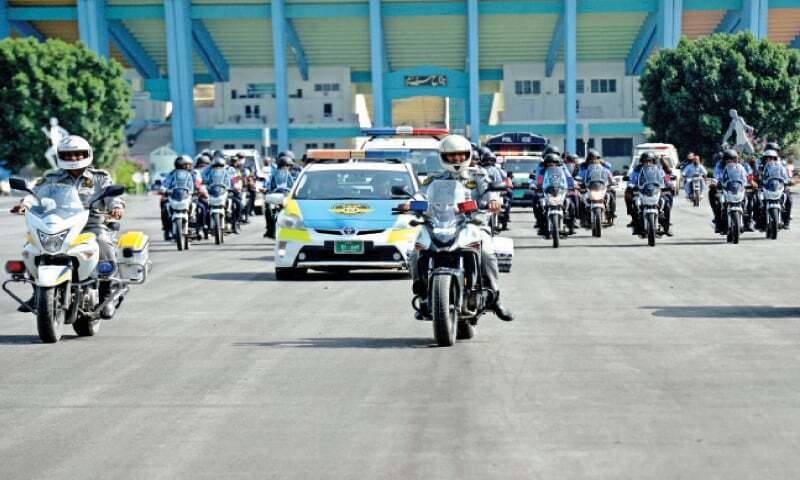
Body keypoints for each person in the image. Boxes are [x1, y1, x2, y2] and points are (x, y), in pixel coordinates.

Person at [10, 135, 125, 312]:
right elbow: (35, 194)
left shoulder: (99, 178)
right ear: (60, 156)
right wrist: (24, 205)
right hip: (59, 224)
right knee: (32, 247)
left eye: (78, 154)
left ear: (87, 154)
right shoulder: (52, 177)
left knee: (103, 242)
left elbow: (112, 196)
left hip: (90, 225)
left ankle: (106, 294)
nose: (73, 158)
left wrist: (116, 208)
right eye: (68, 155)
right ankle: (38, 292)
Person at [404, 134, 513, 322]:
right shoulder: (434, 178)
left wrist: (493, 201)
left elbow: (489, 193)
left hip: (473, 225)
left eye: (461, 155)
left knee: (487, 253)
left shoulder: (478, 175)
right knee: (416, 252)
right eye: (452, 155)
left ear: (468, 155)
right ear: (443, 156)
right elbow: (422, 195)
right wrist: (410, 203)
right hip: (439, 224)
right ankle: (422, 294)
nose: (457, 159)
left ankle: (494, 297)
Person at [160, 155, 196, 240]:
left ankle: (193, 223)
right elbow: (166, 183)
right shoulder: (171, 174)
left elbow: (192, 184)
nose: (187, 166)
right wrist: (164, 189)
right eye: (185, 164)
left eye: (188, 164)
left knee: (195, 205)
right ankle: (167, 229)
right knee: (165, 207)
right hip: (173, 196)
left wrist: (193, 191)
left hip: (186, 195)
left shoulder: (190, 174)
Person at [577, 150, 617, 225]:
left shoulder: (604, 169)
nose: (595, 160)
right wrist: (579, 183)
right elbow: (580, 177)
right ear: (589, 159)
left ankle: (611, 214)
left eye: (597, 158)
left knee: (611, 195)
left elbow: (610, 176)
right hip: (589, 188)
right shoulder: (584, 169)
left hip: (601, 187)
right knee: (581, 199)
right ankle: (583, 218)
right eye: (593, 158)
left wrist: (613, 182)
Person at [263, 155, 297, 238]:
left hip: (286, 196)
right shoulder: (274, 175)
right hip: (276, 196)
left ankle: (293, 230)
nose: (288, 167)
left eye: (289, 166)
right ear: (282, 165)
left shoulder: (289, 175)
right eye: (287, 165)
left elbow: (293, 186)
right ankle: (269, 229)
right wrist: (266, 190)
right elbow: (269, 186)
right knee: (268, 209)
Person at [760, 149, 792, 229]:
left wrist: (787, 181)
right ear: (764, 159)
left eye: (772, 158)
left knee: (789, 199)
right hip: (766, 188)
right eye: (767, 158)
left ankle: (786, 221)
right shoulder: (761, 168)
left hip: (778, 187)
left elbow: (785, 176)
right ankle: (759, 223)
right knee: (757, 201)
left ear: (775, 158)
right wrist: (757, 180)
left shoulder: (780, 167)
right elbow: (757, 176)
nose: (770, 160)